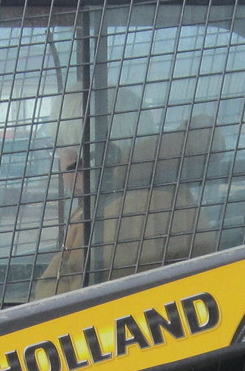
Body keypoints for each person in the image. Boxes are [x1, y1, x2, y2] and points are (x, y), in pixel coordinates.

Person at [33, 118, 222, 298]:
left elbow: (64, 312)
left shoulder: (116, 216)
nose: (60, 161)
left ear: (79, 160)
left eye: (58, 151)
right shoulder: (172, 197)